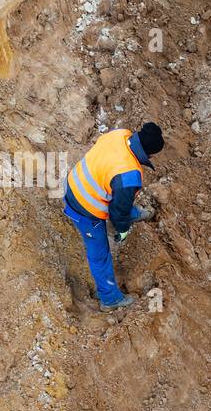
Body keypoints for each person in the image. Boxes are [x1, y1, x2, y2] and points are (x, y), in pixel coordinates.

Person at [63, 123, 163, 310]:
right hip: (84, 208)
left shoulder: (120, 134)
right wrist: (123, 230)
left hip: (76, 180)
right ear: (148, 154)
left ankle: (134, 213)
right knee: (99, 255)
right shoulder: (129, 174)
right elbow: (117, 212)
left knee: (121, 199)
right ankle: (110, 299)